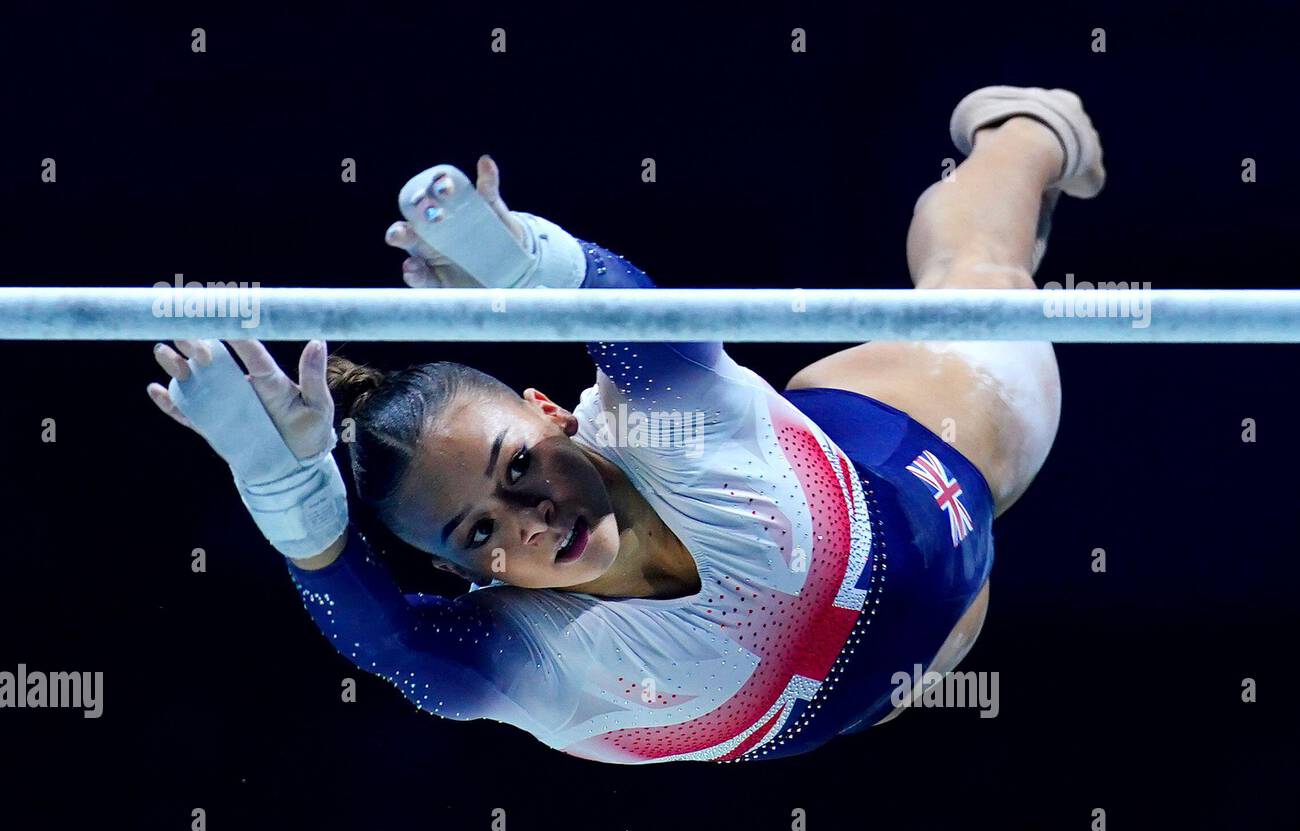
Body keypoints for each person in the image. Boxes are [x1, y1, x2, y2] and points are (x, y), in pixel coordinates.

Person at [147, 86, 1104, 763]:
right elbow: (390, 643)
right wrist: (287, 490)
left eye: (519, 467)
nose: (527, 519)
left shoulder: (661, 425)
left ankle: (1025, 128)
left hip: (925, 467)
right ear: (465, 572)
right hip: (910, 656)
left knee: (982, 277)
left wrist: (525, 264)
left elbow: (641, 322)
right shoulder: (531, 655)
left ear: (554, 413)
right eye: (480, 530)